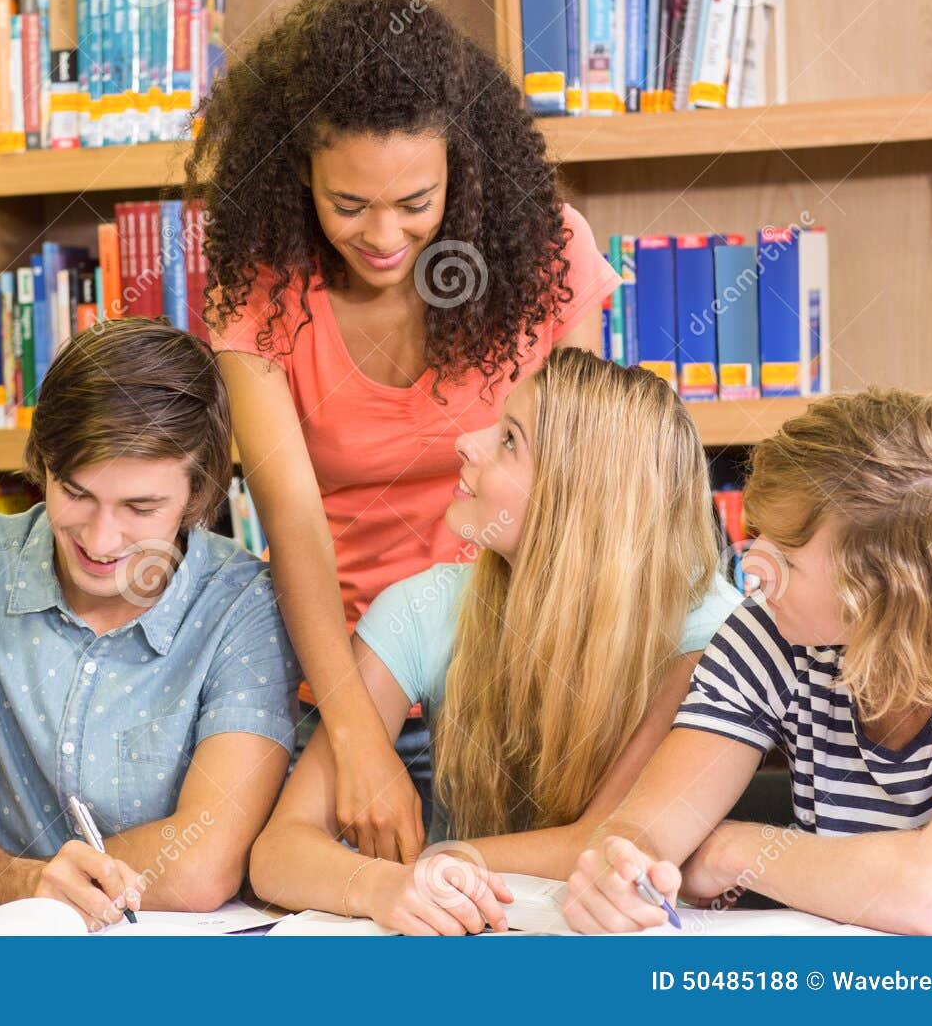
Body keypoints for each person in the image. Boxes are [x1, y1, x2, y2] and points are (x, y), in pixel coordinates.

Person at [191, 0, 621, 863]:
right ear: (294, 174)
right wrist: (358, 739)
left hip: (525, 682)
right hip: (351, 677)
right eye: (348, 205)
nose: (384, 237)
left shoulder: (546, 257)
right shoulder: (262, 288)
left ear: (462, 171)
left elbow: (586, 487)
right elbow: (294, 522)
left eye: (414, 204)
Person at [564, 389, 932, 935]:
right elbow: (651, 827)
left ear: (891, 588)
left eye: (790, 559)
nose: (755, 572)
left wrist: (732, 848)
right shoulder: (774, 625)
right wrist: (624, 867)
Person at [249, 349, 742, 933]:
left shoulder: (708, 629)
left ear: (580, 493)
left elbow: (599, 844)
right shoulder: (419, 610)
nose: (466, 442)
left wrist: (441, 862)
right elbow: (277, 852)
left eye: (510, 439)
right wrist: (384, 887)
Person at [0, 318, 299, 930]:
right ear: (41, 465)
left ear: (197, 497)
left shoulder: (246, 603)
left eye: (141, 508)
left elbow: (200, 869)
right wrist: (28, 882)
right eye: (76, 492)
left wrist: (41, 884)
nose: (100, 538)